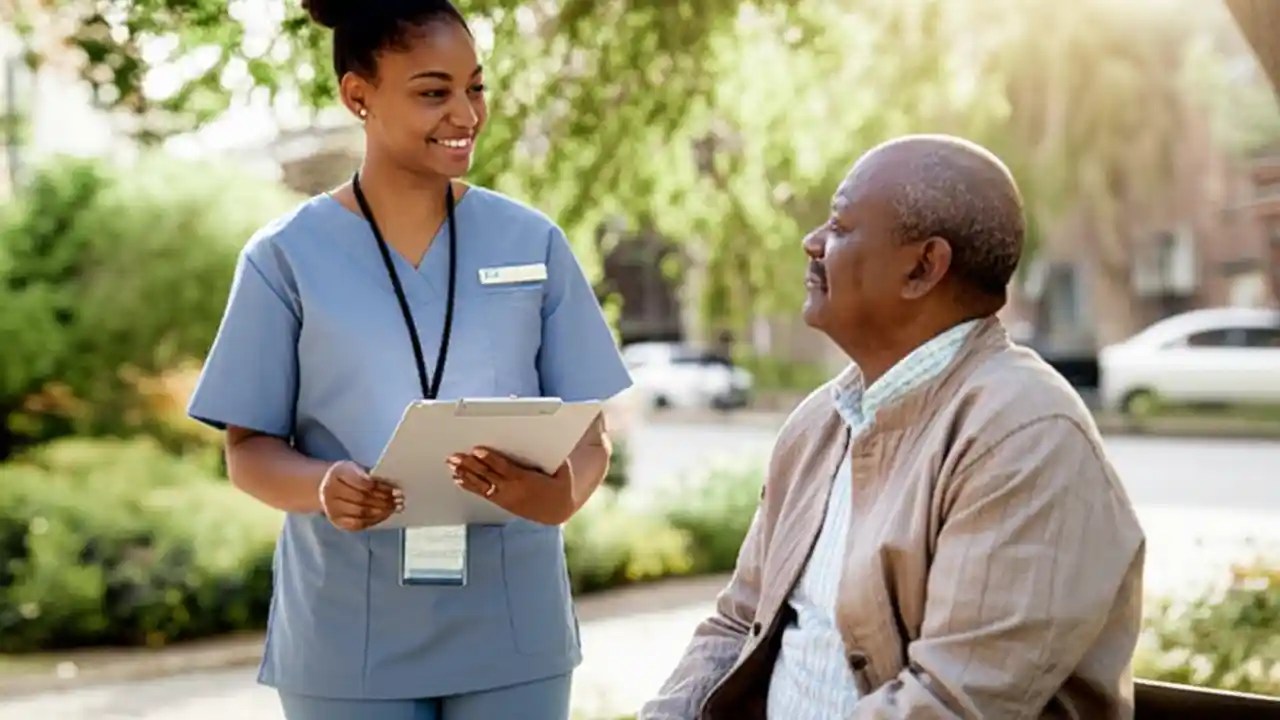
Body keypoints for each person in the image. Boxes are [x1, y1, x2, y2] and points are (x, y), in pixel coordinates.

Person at [186, 2, 631, 718]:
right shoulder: (284, 259)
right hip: (347, 632)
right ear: (358, 95)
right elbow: (248, 450)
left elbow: (589, 431)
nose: (465, 113)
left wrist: (562, 493)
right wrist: (325, 484)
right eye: (434, 92)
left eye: (475, 88)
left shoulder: (531, 243)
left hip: (513, 627)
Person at [639, 135, 1146, 720]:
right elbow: (736, 623)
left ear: (922, 266)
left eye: (840, 225)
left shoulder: (1027, 437)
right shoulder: (820, 423)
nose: (812, 243)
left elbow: (953, 702)